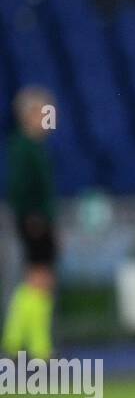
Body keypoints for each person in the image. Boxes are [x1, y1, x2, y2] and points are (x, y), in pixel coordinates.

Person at [2, 87, 58, 360]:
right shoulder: (24, 148)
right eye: (44, 113)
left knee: (37, 279)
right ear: (30, 115)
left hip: (38, 218)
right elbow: (21, 188)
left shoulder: (33, 147)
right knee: (39, 278)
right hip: (34, 219)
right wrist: (33, 216)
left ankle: (18, 340)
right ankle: (35, 346)